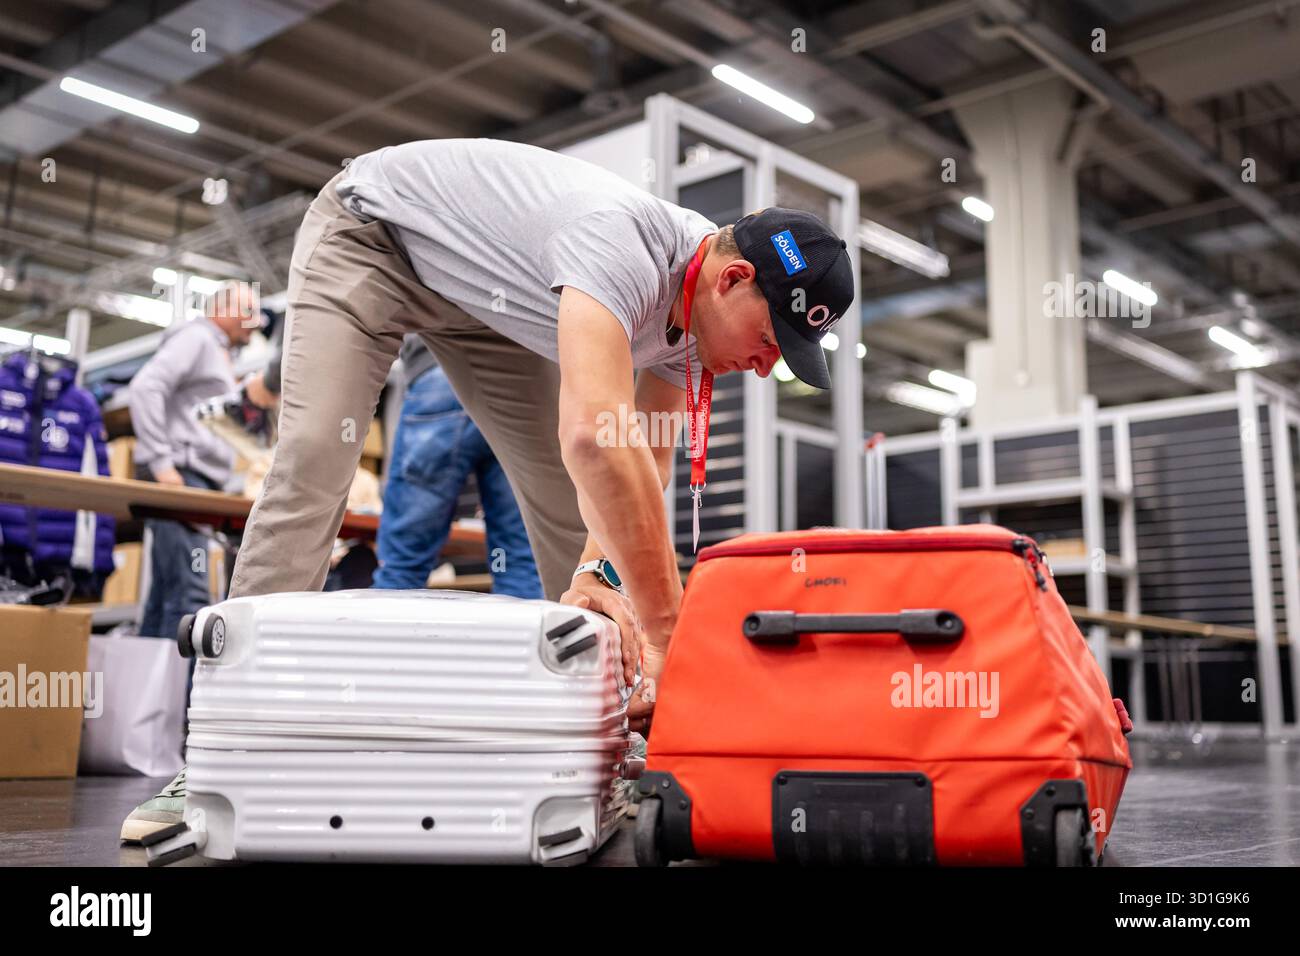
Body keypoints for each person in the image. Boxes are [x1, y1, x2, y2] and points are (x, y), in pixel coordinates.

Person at [121, 138, 852, 842]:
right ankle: (218, 760)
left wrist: (603, 572)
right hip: (374, 238)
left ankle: (602, 758)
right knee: (313, 464)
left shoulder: (700, 317)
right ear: (731, 281)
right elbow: (596, 434)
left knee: (587, 531)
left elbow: (642, 459)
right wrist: (669, 637)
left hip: (485, 301)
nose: (765, 367)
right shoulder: (621, 243)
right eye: (771, 340)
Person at [127, 282, 258, 644]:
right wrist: (162, 465)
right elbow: (145, 387)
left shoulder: (219, 351)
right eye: (248, 312)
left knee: (167, 593)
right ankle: (184, 699)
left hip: (194, 479)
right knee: (191, 596)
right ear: (224, 309)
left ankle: (150, 698)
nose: (255, 322)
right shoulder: (197, 338)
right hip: (183, 478)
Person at [373, 336, 541, 596]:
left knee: (402, 566)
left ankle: (376, 634)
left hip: (438, 368)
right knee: (520, 563)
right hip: (517, 383)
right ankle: (521, 637)